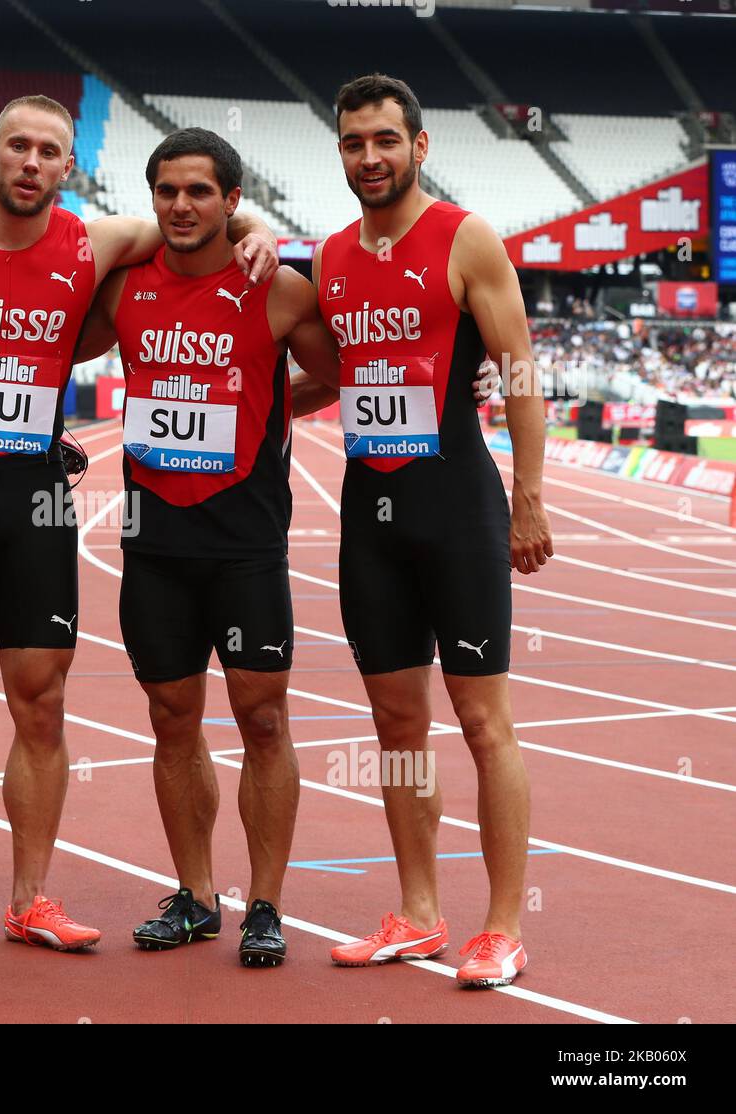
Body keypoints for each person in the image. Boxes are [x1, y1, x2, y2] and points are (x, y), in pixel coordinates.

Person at [0, 94, 279, 961]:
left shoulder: (95, 245)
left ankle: (30, 899)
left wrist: (256, 233)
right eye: (17, 146)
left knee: (42, 707)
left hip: (38, 508)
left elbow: (198, 218)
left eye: (49, 151)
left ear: (67, 169)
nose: (30, 163)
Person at [75, 128, 342, 966]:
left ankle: (265, 904)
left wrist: (262, 414)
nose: (182, 205)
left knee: (263, 719)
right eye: (167, 192)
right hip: (154, 540)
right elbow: (48, 345)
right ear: (152, 201)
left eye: (200, 191)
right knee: (170, 719)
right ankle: (195, 896)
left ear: (232, 200)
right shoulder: (122, 291)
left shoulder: (282, 290)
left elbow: (333, 375)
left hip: (246, 543)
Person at [314, 74, 553, 987]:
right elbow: (327, 376)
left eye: (383, 140)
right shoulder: (332, 255)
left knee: (484, 720)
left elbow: (519, 372)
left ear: (419, 146)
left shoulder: (465, 239)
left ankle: (500, 927)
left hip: (457, 505)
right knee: (395, 722)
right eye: (351, 142)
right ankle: (418, 913)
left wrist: (529, 497)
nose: (368, 157)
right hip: (370, 515)